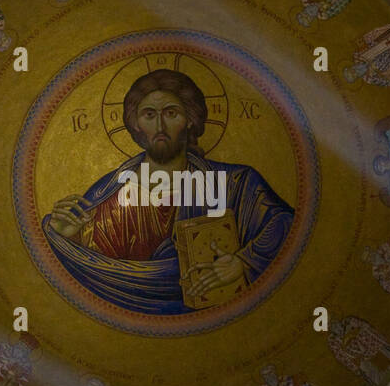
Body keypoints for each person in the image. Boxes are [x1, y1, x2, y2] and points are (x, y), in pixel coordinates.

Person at [43, 68, 293, 314]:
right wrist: (68, 238)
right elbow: (96, 269)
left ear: (191, 119)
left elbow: (284, 222)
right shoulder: (108, 197)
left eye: (171, 113)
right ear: (136, 124)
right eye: (149, 115)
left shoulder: (234, 184)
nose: (160, 126)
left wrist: (243, 261)